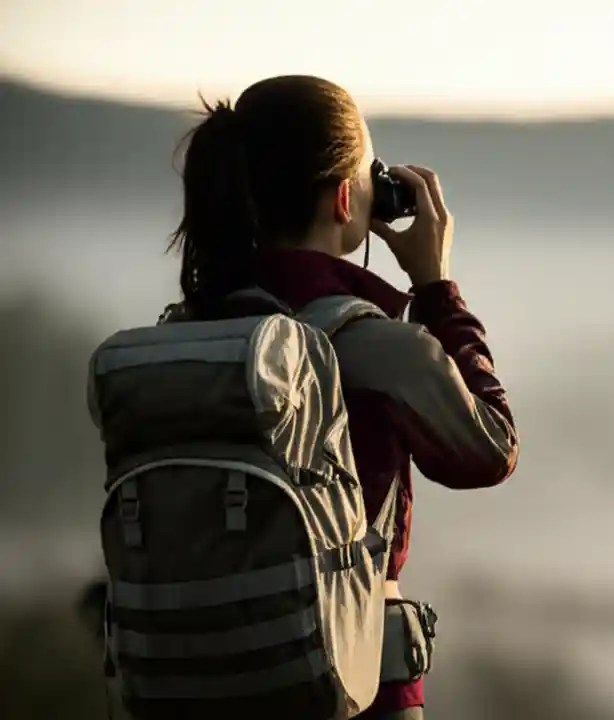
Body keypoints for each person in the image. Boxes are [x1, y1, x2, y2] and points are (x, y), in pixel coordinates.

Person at [165, 74, 520, 718]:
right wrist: (436, 287)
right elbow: (490, 448)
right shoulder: (369, 343)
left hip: (196, 688)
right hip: (353, 691)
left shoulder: (191, 333)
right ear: (345, 196)